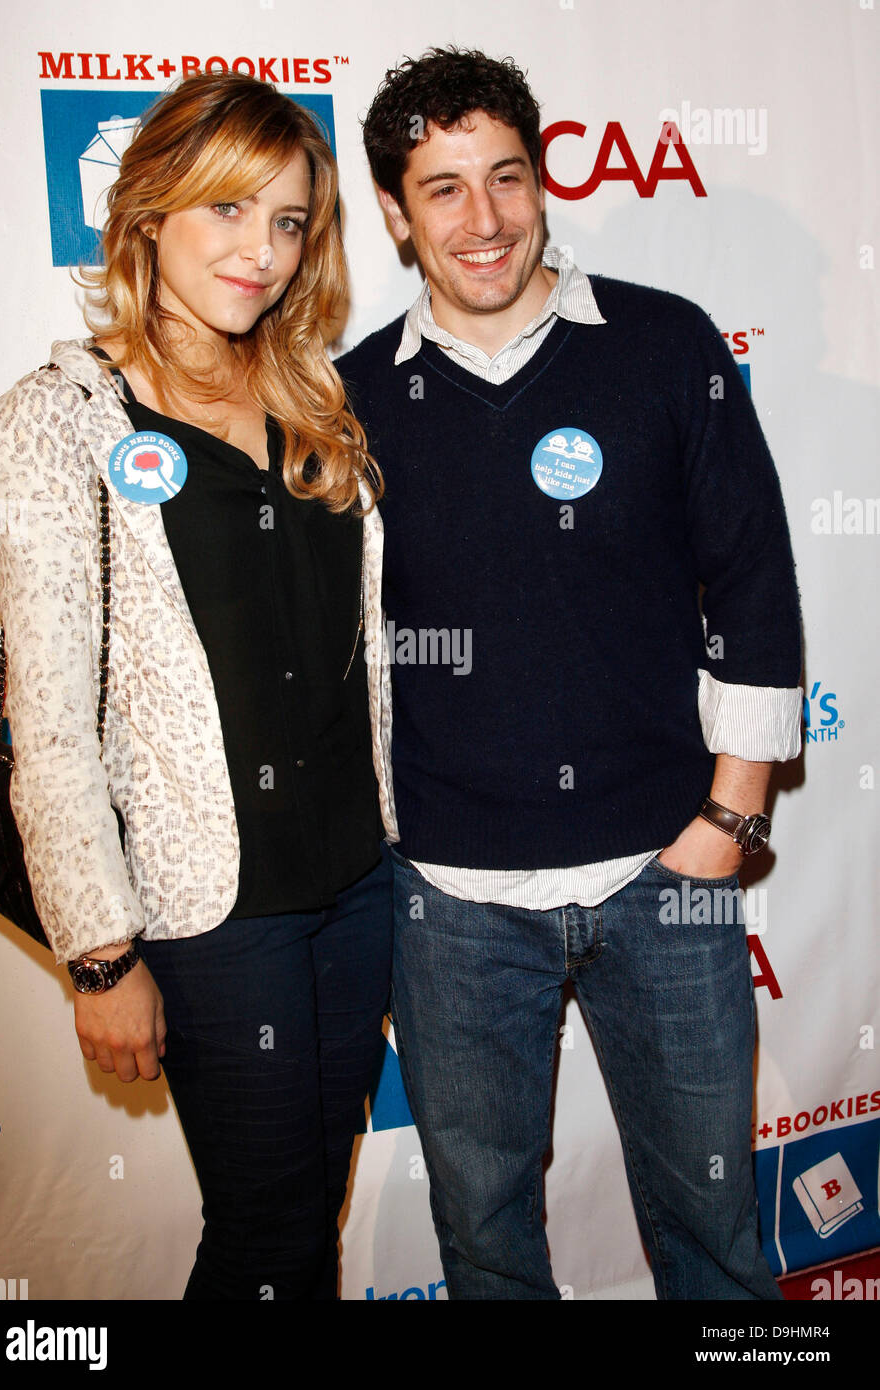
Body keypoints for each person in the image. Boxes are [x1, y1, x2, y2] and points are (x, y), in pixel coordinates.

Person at [338, 47, 803, 1300]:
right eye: (441, 189)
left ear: (541, 179)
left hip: (669, 876)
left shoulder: (665, 345)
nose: (482, 219)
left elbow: (753, 580)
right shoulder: (351, 401)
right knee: (486, 1239)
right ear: (393, 212)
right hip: (452, 901)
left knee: (716, 1229)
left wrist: (728, 821)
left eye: (504, 177)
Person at [0, 73, 397, 1301]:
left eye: (290, 221)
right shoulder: (44, 429)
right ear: (148, 213)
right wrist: (99, 958)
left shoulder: (322, 405)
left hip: (359, 881)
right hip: (214, 913)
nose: (260, 251)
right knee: (266, 1235)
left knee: (312, 1213)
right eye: (226, 211)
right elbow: (46, 726)